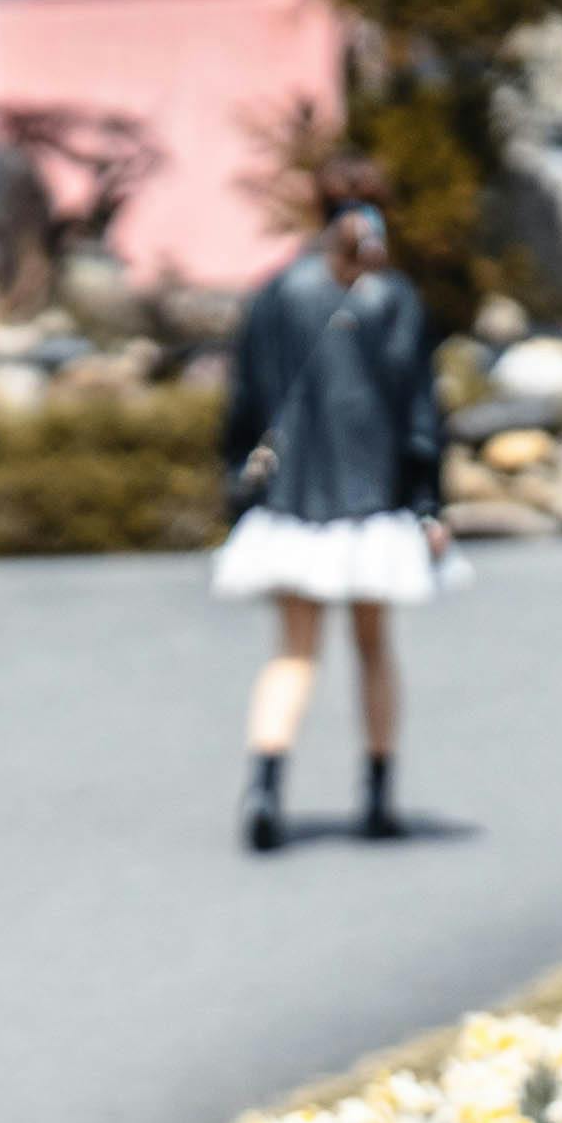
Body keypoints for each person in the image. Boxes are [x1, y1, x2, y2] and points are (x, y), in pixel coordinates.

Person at [213, 161, 448, 853]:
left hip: (293, 502)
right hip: (371, 502)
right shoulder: (393, 298)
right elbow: (420, 413)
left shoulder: (274, 294)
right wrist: (430, 502)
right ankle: (377, 793)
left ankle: (266, 784)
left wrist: (236, 483)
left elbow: (243, 403)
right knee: (374, 647)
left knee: (292, 653)